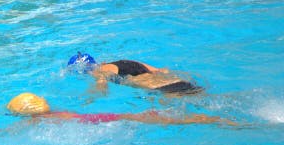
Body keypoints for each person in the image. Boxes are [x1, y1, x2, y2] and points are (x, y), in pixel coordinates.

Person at [6, 92, 233, 125]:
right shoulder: (55, 112)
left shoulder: (38, 120)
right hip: (103, 116)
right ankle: (208, 119)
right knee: (144, 117)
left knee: (149, 119)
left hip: (103, 120)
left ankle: (210, 120)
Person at [66, 52, 203, 95]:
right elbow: (162, 70)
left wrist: (87, 99)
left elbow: (102, 90)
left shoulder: (100, 72)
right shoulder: (124, 61)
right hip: (177, 80)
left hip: (165, 89)